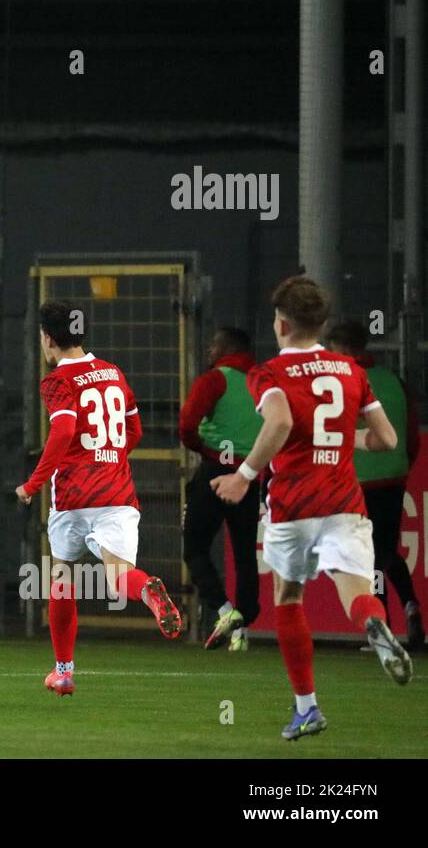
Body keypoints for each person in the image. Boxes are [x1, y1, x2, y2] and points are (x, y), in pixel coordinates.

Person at [212, 276, 413, 741]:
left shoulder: (270, 373)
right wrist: (345, 440)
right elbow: (386, 439)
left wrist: (243, 476)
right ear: (320, 324)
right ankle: (375, 624)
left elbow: (280, 420)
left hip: (292, 505)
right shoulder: (350, 370)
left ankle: (307, 708)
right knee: (357, 593)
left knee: (289, 597)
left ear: (281, 325)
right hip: (343, 501)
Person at [17, 300, 182, 698]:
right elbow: (135, 431)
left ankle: (64, 671)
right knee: (119, 576)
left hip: (74, 495)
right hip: (117, 491)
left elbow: (62, 432)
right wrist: (109, 460)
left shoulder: (57, 381)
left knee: (62, 577)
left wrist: (33, 483)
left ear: (47, 338)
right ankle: (148, 591)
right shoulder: (113, 372)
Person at [327, 320, 423, 650]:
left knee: (370, 558)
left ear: (342, 350)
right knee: (384, 551)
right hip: (393, 477)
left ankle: (383, 629)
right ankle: (410, 605)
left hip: (358, 480)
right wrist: (402, 465)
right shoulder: (394, 380)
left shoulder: (342, 380)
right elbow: (410, 433)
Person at [179, 327, 262, 651]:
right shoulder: (262, 382)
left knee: (194, 547)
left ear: (228, 347)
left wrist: (202, 447)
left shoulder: (215, 379)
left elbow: (187, 422)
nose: (210, 348)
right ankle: (242, 629)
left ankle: (225, 611)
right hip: (250, 473)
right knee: (244, 554)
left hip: (216, 472)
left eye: (214, 343)